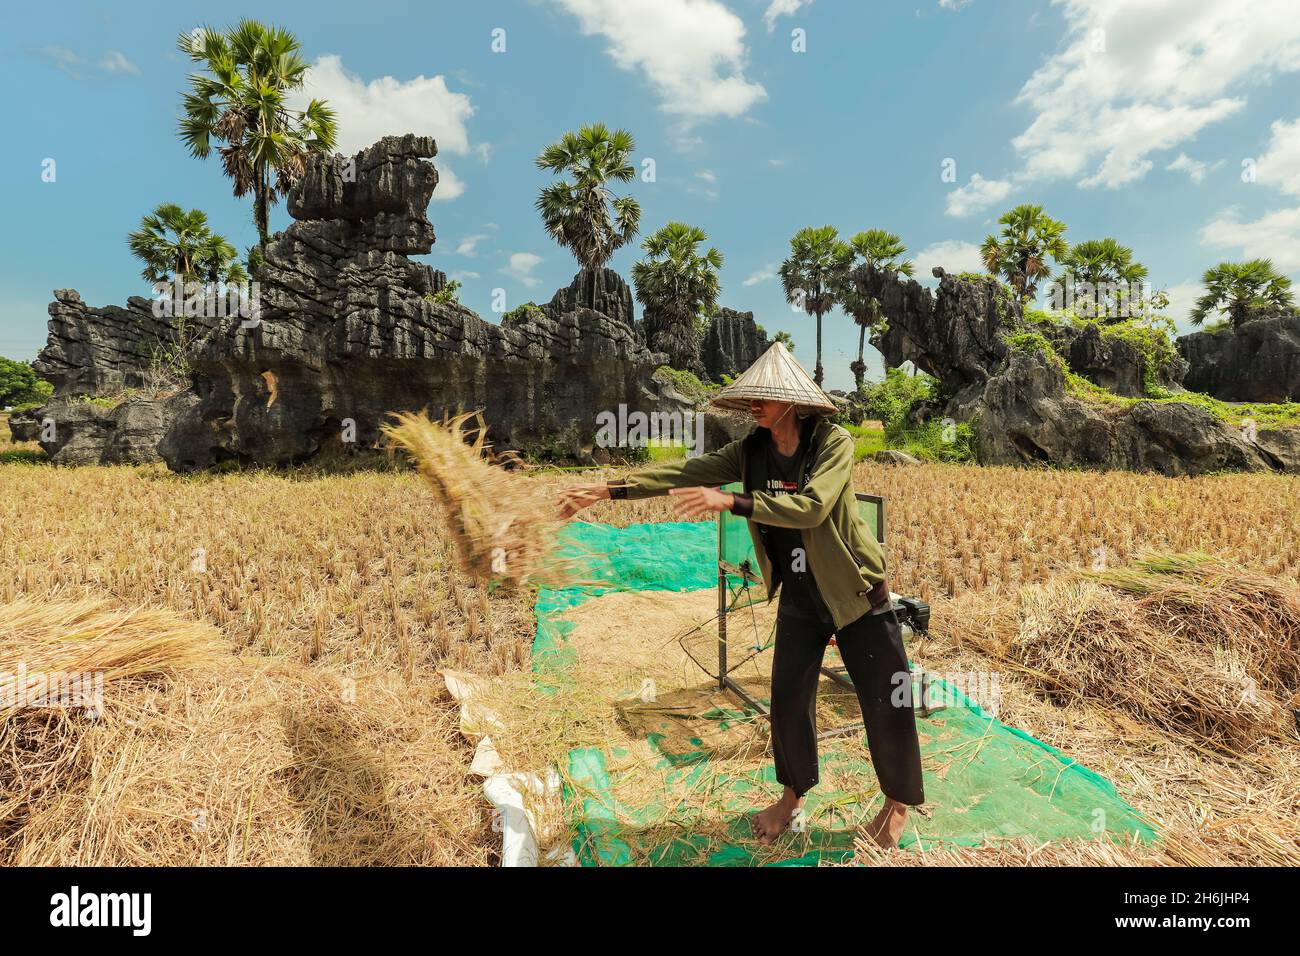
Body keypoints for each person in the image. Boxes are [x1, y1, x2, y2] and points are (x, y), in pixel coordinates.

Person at [558, 342, 925, 848]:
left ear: (793, 401)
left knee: (887, 698)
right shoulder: (750, 451)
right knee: (789, 700)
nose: (755, 405)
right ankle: (791, 796)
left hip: (854, 593)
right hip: (799, 596)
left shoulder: (833, 443)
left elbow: (813, 507)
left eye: (765, 397)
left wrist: (731, 499)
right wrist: (606, 490)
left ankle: (897, 804)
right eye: (750, 397)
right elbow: (683, 474)